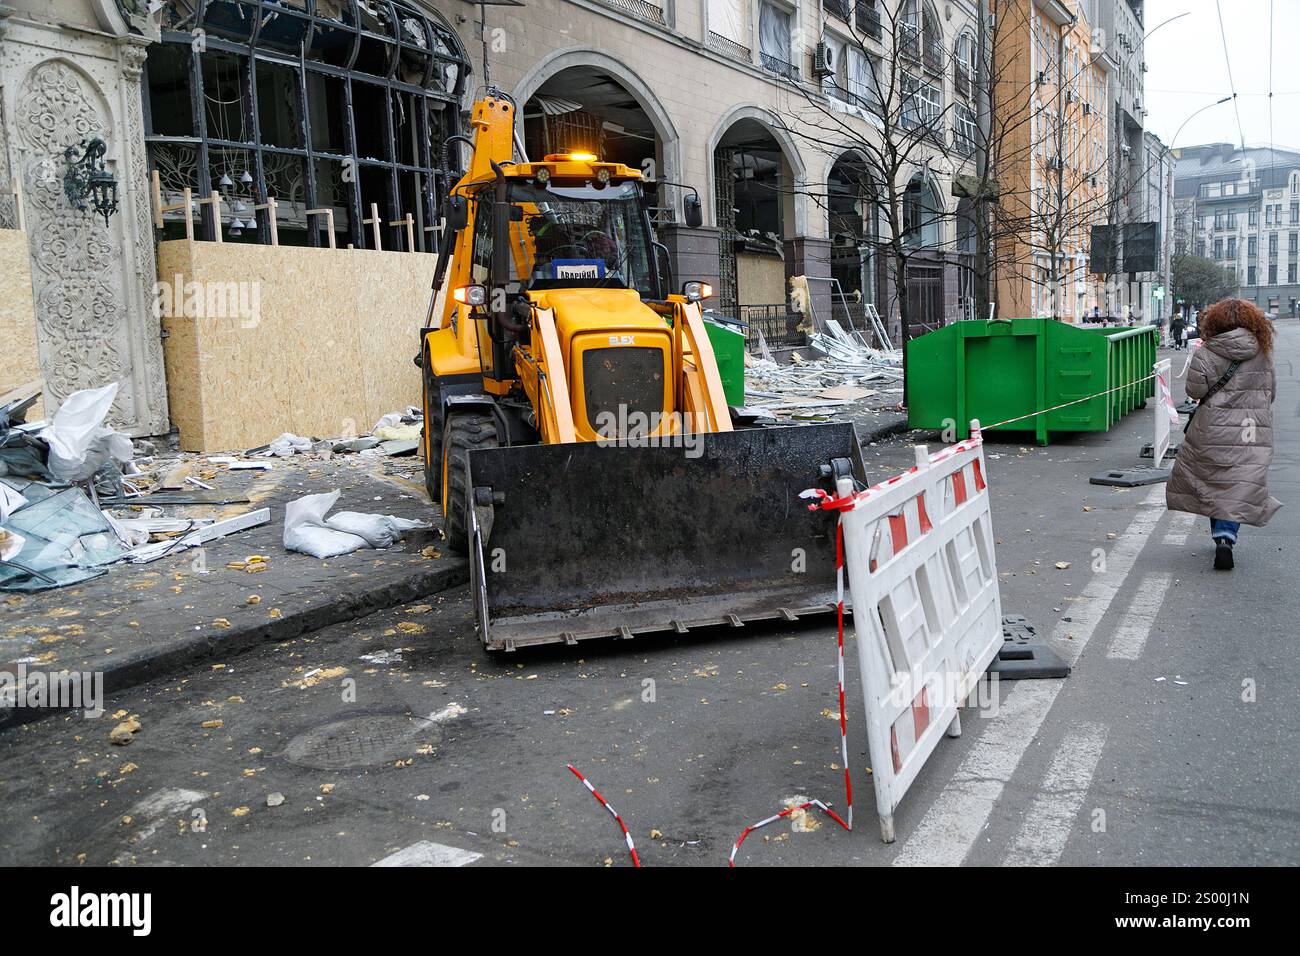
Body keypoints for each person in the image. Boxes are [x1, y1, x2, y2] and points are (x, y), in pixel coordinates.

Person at [1166, 298, 1281, 570]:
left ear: (1215, 322)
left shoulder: (1206, 352)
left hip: (1212, 427)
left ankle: (1220, 535)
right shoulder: (1262, 352)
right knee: (1239, 482)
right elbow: (1270, 393)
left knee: (1215, 481)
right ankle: (1226, 536)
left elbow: (1194, 392)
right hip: (1251, 429)